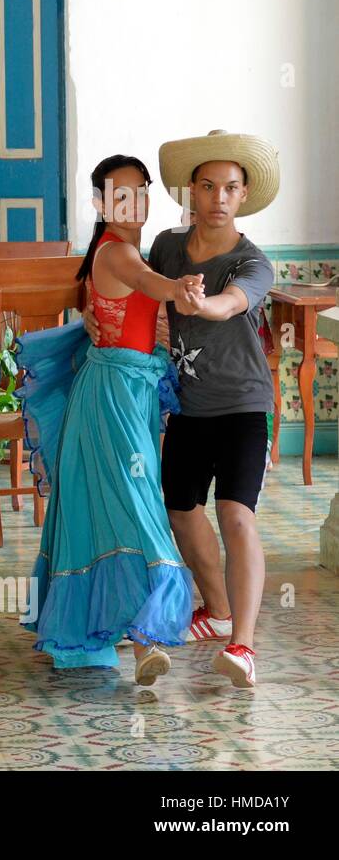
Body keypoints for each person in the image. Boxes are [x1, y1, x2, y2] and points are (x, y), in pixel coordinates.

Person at [87, 130, 281, 688]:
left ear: (243, 196)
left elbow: (230, 304)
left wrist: (200, 301)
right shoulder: (167, 249)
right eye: (208, 186)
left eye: (230, 188)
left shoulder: (253, 262)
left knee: (236, 516)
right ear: (190, 192)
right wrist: (93, 316)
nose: (219, 197)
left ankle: (243, 642)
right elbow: (120, 283)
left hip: (243, 406)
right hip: (188, 409)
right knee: (180, 512)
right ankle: (216, 610)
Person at [13, 155, 199, 681]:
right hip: (112, 395)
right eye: (121, 195)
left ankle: (99, 630)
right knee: (134, 507)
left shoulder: (113, 249)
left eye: (141, 191)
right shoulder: (118, 252)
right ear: (100, 203)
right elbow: (145, 281)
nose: (134, 203)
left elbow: (111, 297)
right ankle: (144, 639)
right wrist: (178, 289)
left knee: (104, 507)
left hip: (125, 390)